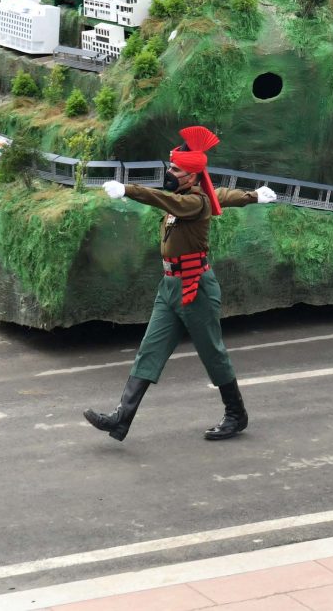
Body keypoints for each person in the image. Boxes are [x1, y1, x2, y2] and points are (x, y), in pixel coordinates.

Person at [85, 127, 276, 442]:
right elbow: (223, 196)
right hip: (170, 286)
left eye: (176, 169)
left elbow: (166, 200)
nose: (170, 173)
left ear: (191, 177)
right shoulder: (196, 196)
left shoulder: (192, 203)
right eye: (170, 167)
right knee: (149, 350)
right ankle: (121, 420)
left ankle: (236, 414)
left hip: (195, 287)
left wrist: (129, 190)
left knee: (212, 353)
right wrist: (252, 196)